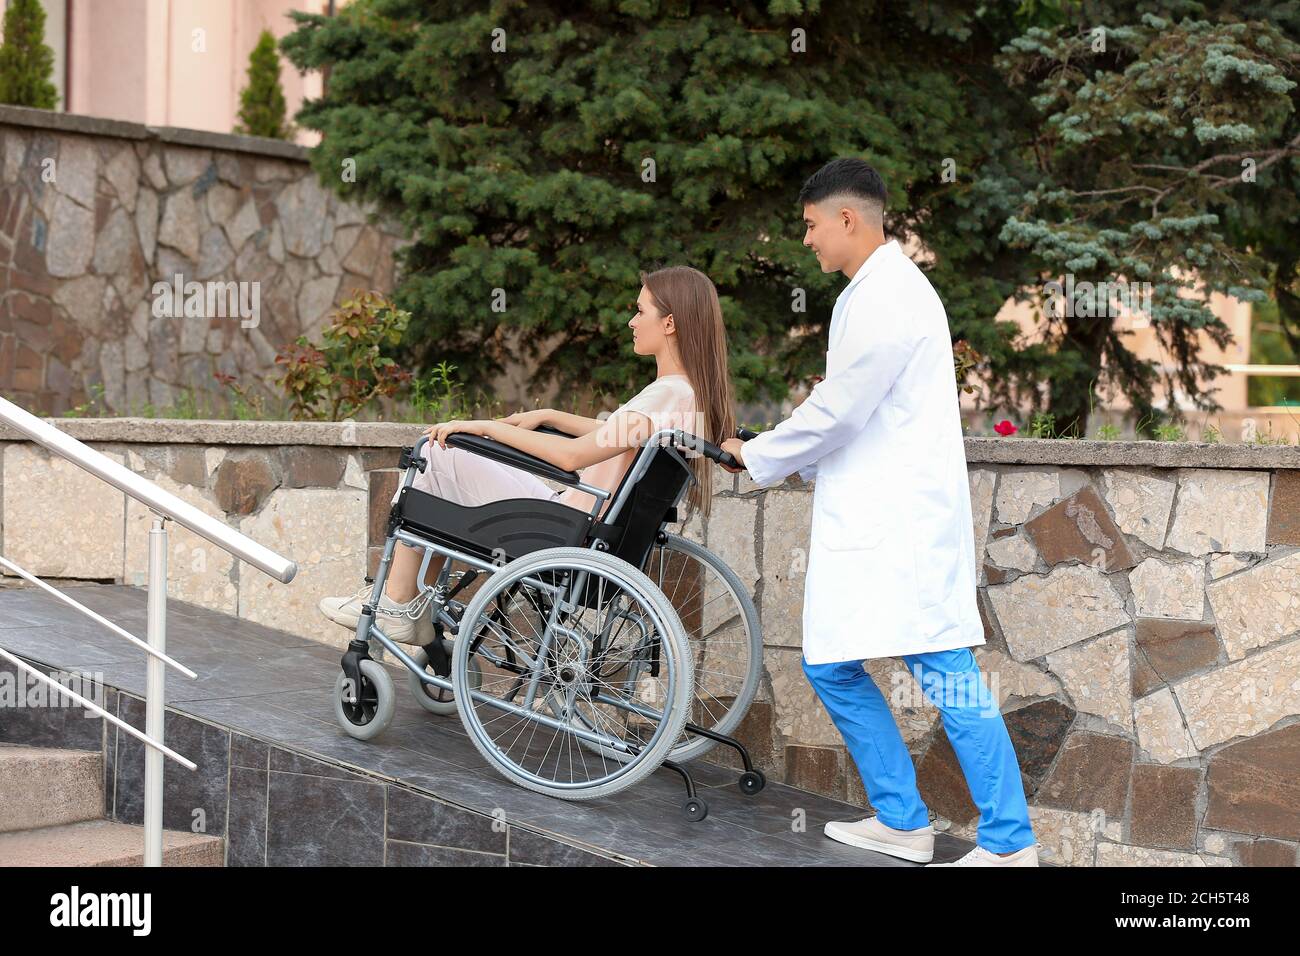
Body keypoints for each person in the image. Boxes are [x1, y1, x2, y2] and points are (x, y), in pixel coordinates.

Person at [720, 158, 1040, 867]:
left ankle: (1010, 845)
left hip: (903, 528)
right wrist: (780, 453)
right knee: (831, 661)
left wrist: (760, 452)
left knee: (947, 673)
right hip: (876, 521)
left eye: (809, 226)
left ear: (847, 218)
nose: (806, 241)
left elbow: (841, 409)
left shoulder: (889, 294)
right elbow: (851, 415)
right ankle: (901, 819)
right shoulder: (870, 293)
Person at [319, 265, 736, 645]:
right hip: (585, 530)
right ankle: (411, 603)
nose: (630, 321)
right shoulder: (686, 395)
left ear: (669, 323)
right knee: (448, 468)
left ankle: (397, 602)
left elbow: (573, 457)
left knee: (437, 451)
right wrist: (549, 414)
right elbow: (616, 436)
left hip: (563, 530)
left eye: (640, 311)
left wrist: (487, 427)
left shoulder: (665, 393)